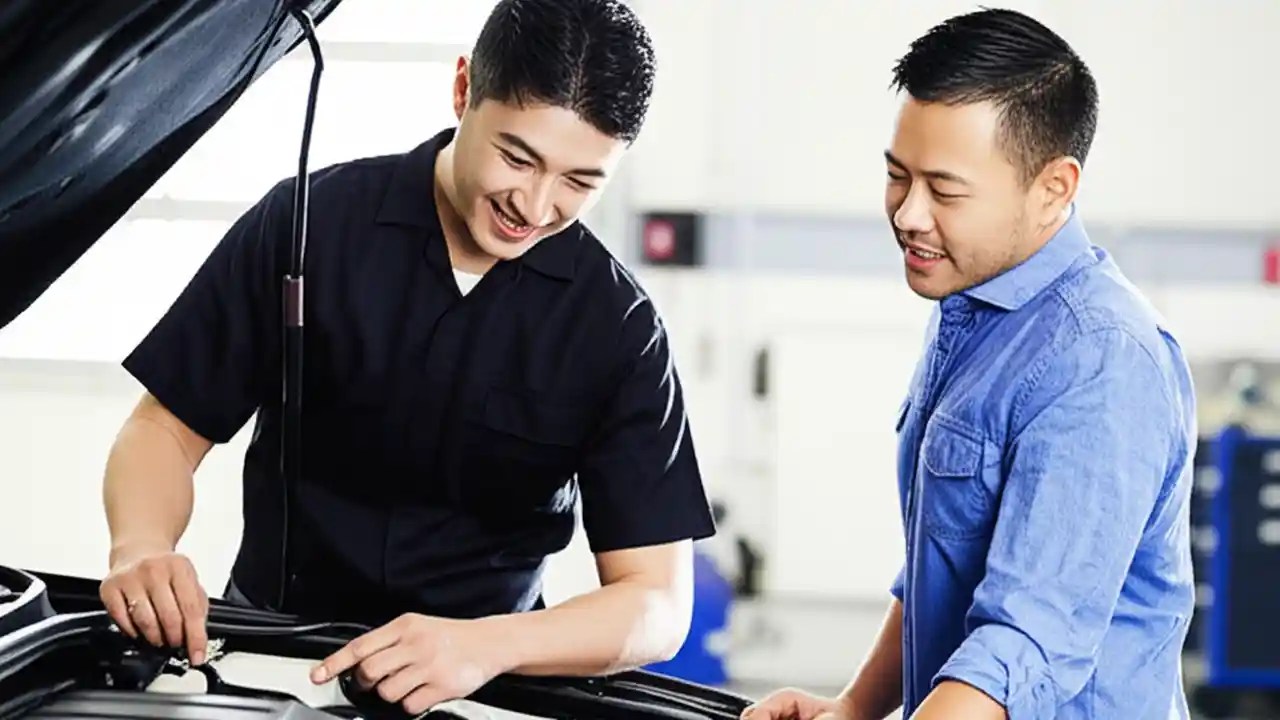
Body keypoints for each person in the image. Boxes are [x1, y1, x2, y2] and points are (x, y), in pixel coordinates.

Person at [99, 0, 717, 713]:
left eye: (580, 182)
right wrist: (141, 547)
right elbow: (163, 429)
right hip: (271, 663)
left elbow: (657, 602)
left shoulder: (619, 326)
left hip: (482, 688)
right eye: (517, 156)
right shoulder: (306, 226)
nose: (535, 204)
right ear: (463, 91)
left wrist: (489, 646)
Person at [746, 8, 1196, 720]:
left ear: (1054, 188)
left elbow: (1022, 645)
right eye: (898, 176)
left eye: (946, 191)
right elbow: (943, 572)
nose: (908, 214)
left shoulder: (1101, 360)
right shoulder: (975, 313)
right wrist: (856, 708)